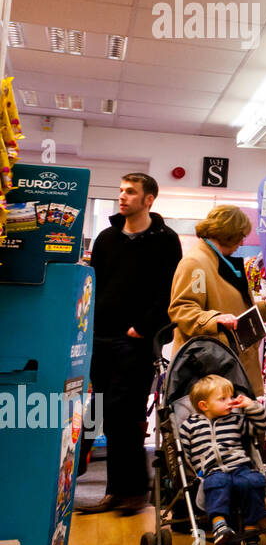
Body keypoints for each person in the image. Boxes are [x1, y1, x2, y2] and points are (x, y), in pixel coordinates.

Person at [79, 173, 183, 514]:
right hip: (100, 339)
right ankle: (116, 491)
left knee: (125, 414)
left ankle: (135, 493)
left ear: (149, 199)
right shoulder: (107, 238)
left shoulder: (165, 240)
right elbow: (93, 285)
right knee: (104, 413)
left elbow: (169, 290)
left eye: (130, 192)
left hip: (136, 342)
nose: (122, 197)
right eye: (120, 190)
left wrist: (144, 327)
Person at [169, 206, 266, 396]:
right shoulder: (197, 264)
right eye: (241, 235)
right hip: (212, 371)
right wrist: (214, 320)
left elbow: (231, 306)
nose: (242, 243)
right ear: (229, 233)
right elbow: (184, 309)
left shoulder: (218, 262)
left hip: (228, 366)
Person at [178, 375, 266, 545]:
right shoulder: (189, 426)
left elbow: (262, 426)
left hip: (239, 467)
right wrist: (191, 473)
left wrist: (250, 406)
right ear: (204, 405)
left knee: (253, 481)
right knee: (218, 482)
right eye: (223, 399)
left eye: (231, 397)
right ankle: (219, 524)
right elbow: (184, 453)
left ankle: (251, 533)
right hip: (211, 471)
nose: (230, 402)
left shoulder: (236, 420)